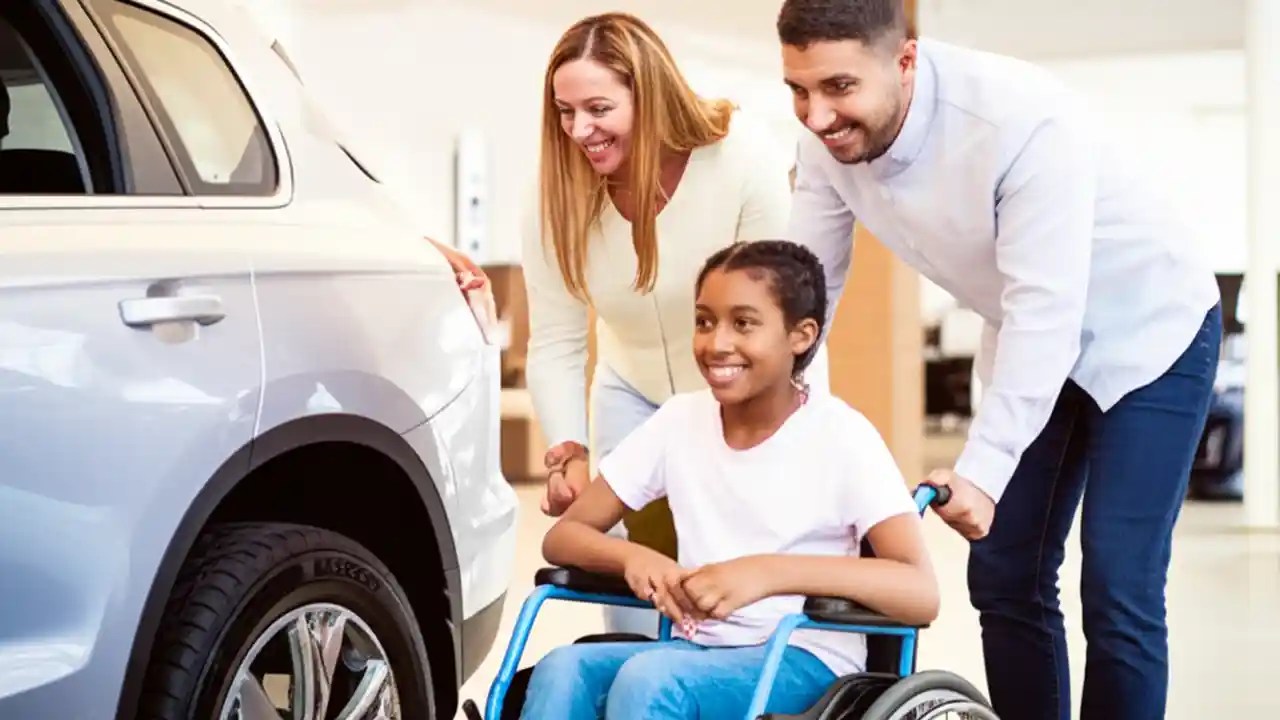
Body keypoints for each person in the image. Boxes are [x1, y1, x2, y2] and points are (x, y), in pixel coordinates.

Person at [775, 2, 1222, 719]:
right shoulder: (826, 147)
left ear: (905, 61)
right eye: (798, 90)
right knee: (1005, 573)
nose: (817, 115)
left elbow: (1050, 311)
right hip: (1024, 339)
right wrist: (777, 413)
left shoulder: (1020, 119)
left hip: (1150, 336)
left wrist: (981, 473)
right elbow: (803, 292)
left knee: (1119, 583)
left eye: (838, 87)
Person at [517, 240, 937, 719]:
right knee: (562, 669)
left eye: (743, 323)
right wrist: (634, 558)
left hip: (804, 659)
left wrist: (768, 574)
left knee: (649, 681)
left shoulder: (842, 436)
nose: (716, 343)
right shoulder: (679, 422)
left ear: (800, 336)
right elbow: (565, 536)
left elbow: (921, 592)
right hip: (696, 651)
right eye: (704, 321)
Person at [521, 13, 809, 634]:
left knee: (734, 588)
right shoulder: (557, 195)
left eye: (599, 108)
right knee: (631, 586)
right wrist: (567, 451)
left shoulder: (740, 161)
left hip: (748, 388)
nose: (580, 131)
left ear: (645, 94)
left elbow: (778, 319)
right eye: (565, 112)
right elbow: (556, 339)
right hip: (632, 391)